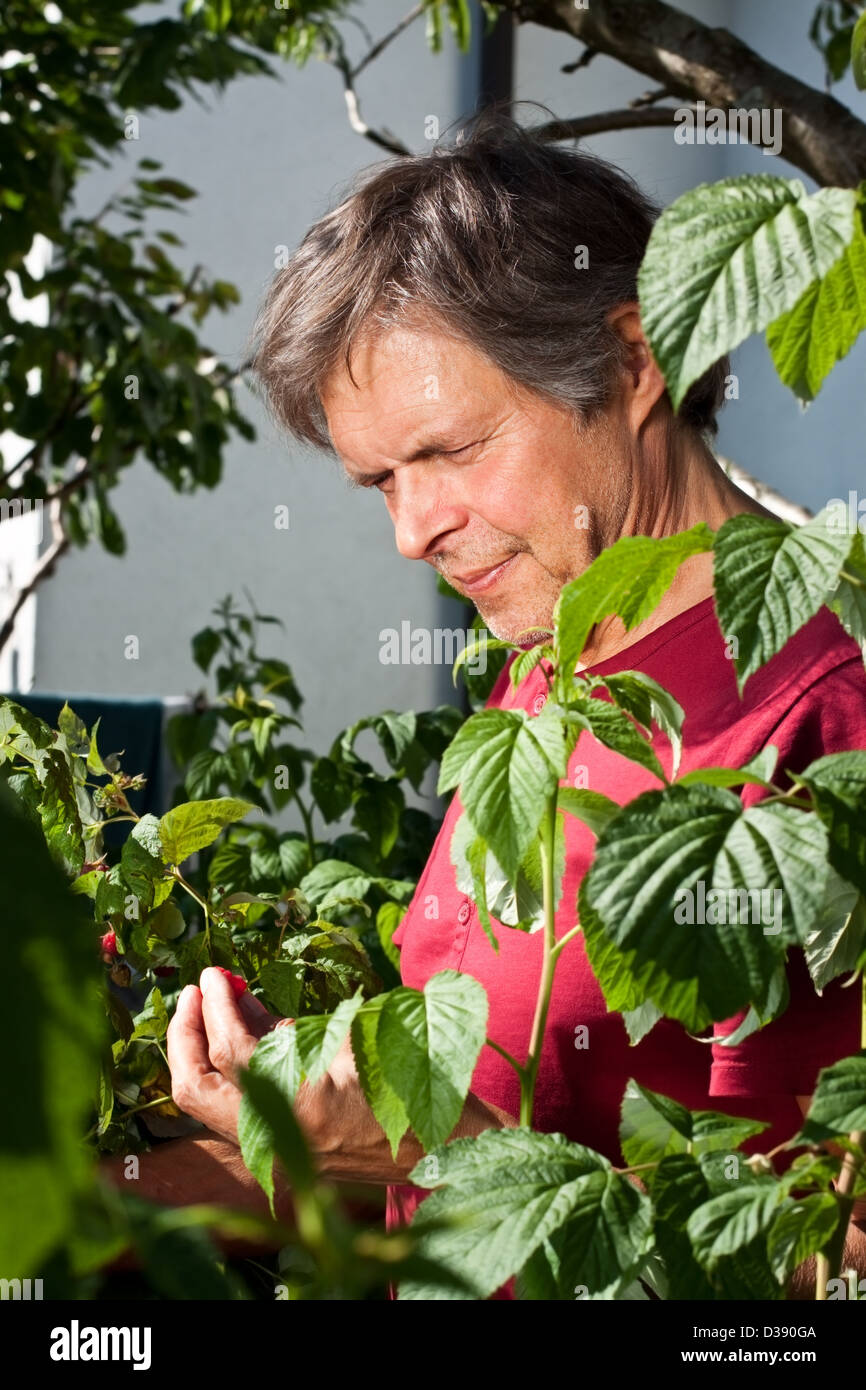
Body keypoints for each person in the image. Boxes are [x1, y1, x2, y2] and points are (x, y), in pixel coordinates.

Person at [142, 111, 866, 1297]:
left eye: (451, 449)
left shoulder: (818, 722)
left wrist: (437, 1145)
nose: (411, 529)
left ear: (632, 364)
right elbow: (458, 1148)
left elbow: (816, 1272)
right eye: (378, 479)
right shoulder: (552, 656)